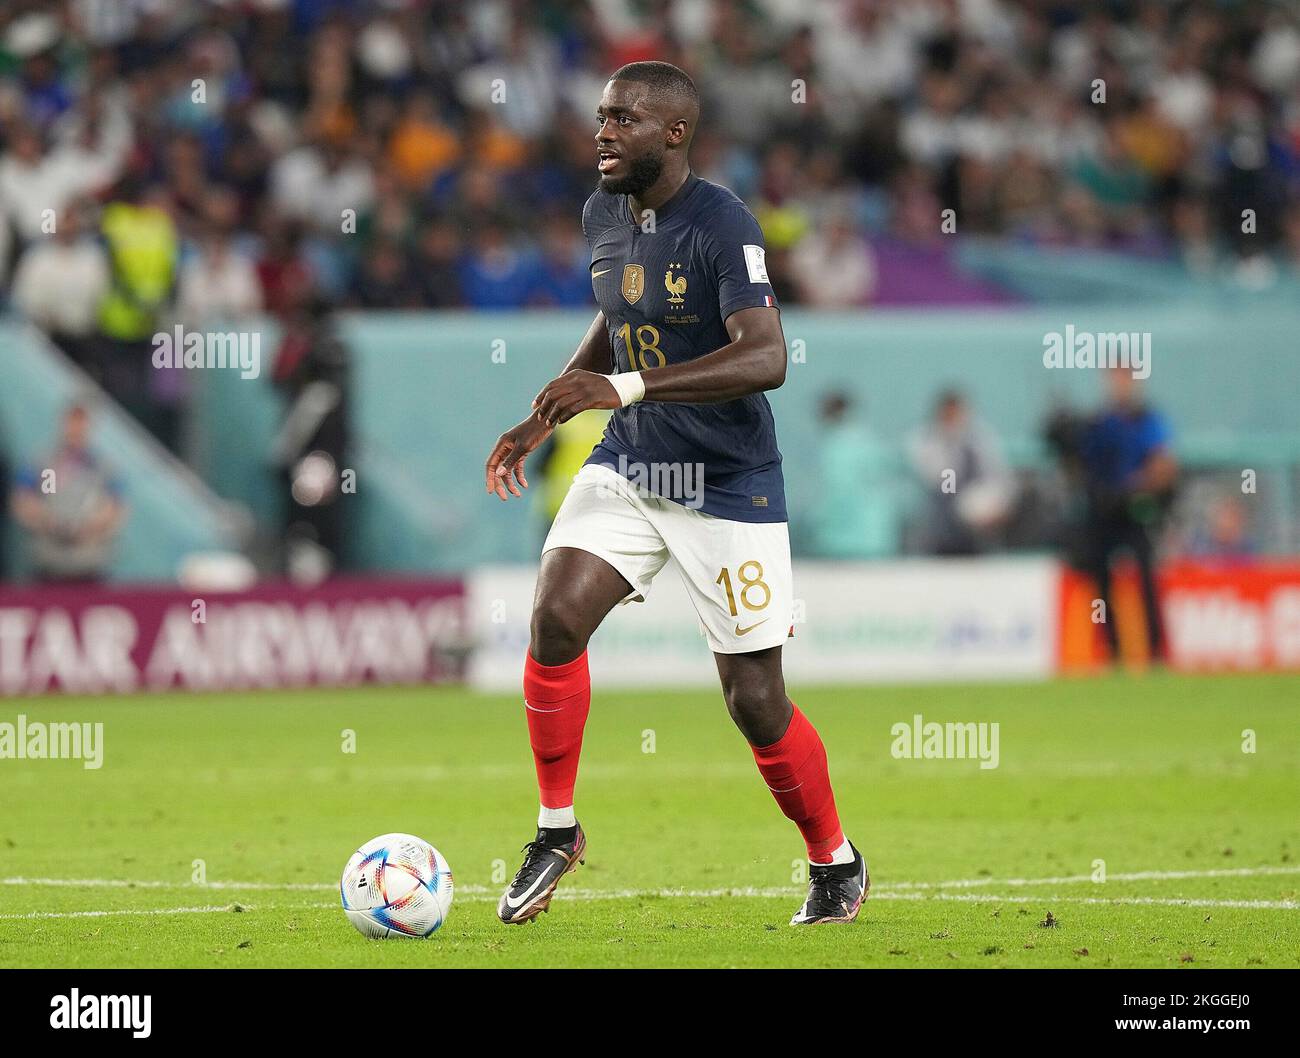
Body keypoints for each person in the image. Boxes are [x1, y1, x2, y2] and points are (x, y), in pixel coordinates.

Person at [484, 62, 866, 928]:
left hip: (726, 483)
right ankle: (555, 830)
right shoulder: (602, 213)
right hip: (632, 465)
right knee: (554, 618)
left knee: (755, 702)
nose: (603, 132)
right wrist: (545, 412)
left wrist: (623, 388)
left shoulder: (722, 223)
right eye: (599, 116)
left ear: (675, 133)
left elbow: (767, 356)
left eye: (623, 118)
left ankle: (834, 861)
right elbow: (616, 318)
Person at [1079, 368, 1177, 663]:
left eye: (1125, 378)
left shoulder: (1146, 418)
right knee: (1101, 577)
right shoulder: (1099, 421)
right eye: (1114, 379)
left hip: (1136, 510)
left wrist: (1134, 487)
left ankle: (1155, 649)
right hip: (1106, 511)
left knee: (1146, 574)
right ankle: (1112, 649)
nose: (1119, 385)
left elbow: (1163, 464)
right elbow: (1084, 464)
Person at [10, 403, 125, 584]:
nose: (76, 429)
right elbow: (24, 500)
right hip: (49, 562)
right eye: (72, 422)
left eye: (81, 423)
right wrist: (49, 522)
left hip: (89, 563)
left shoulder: (103, 466)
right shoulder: (44, 462)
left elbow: (116, 507)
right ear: (62, 424)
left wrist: (89, 527)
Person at [907, 389, 1013, 555]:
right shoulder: (926, 440)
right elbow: (942, 481)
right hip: (940, 524)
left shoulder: (980, 437)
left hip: (979, 527)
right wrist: (950, 446)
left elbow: (997, 474)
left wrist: (998, 504)